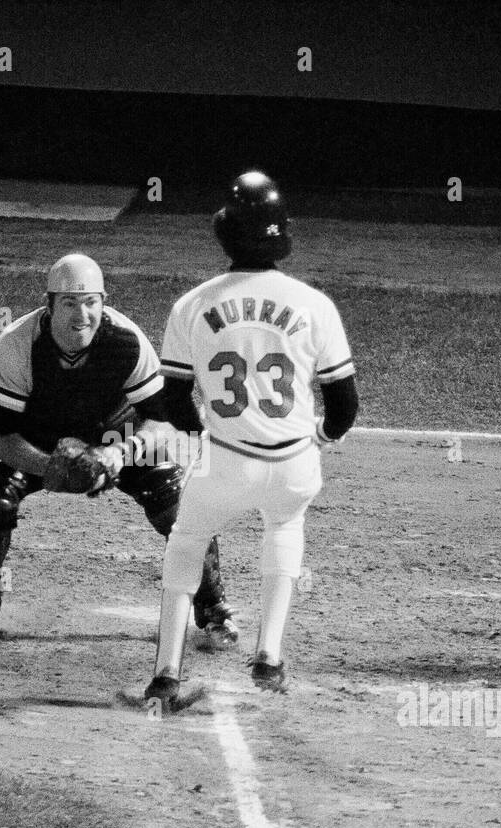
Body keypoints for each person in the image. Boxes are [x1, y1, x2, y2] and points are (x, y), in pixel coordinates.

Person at [144, 172, 359, 708]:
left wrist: (204, 438)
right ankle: (269, 655)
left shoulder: (192, 305)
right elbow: (344, 406)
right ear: (282, 233)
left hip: (225, 464)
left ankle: (166, 674)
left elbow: (173, 399)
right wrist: (320, 437)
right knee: (284, 527)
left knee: (187, 542)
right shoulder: (314, 304)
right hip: (294, 467)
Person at [0, 253, 238, 648]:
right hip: (42, 439)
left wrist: (118, 454)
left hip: (115, 436)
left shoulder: (126, 341)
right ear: (48, 306)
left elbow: (162, 421)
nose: (81, 314)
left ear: (103, 302)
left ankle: (215, 611)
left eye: (91, 302)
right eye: (69, 303)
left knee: (176, 500)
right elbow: (0, 438)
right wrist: (50, 466)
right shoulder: (17, 345)